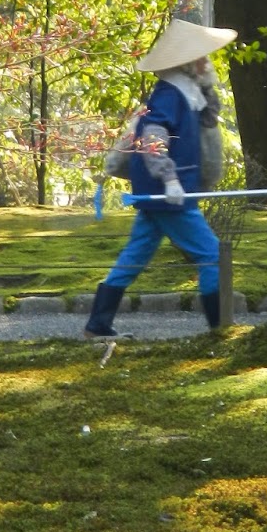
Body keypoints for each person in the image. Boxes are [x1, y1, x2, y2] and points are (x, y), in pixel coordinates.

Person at [84, 19, 236, 337]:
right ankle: (220, 329)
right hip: (168, 193)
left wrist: (207, 88)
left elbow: (206, 117)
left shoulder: (188, 92)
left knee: (135, 255)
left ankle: (98, 323)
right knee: (212, 255)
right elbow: (153, 134)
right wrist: (168, 178)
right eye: (202, 56)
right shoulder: (170, 94)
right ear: (186, 62)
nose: (207, 62)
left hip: (162, 191)